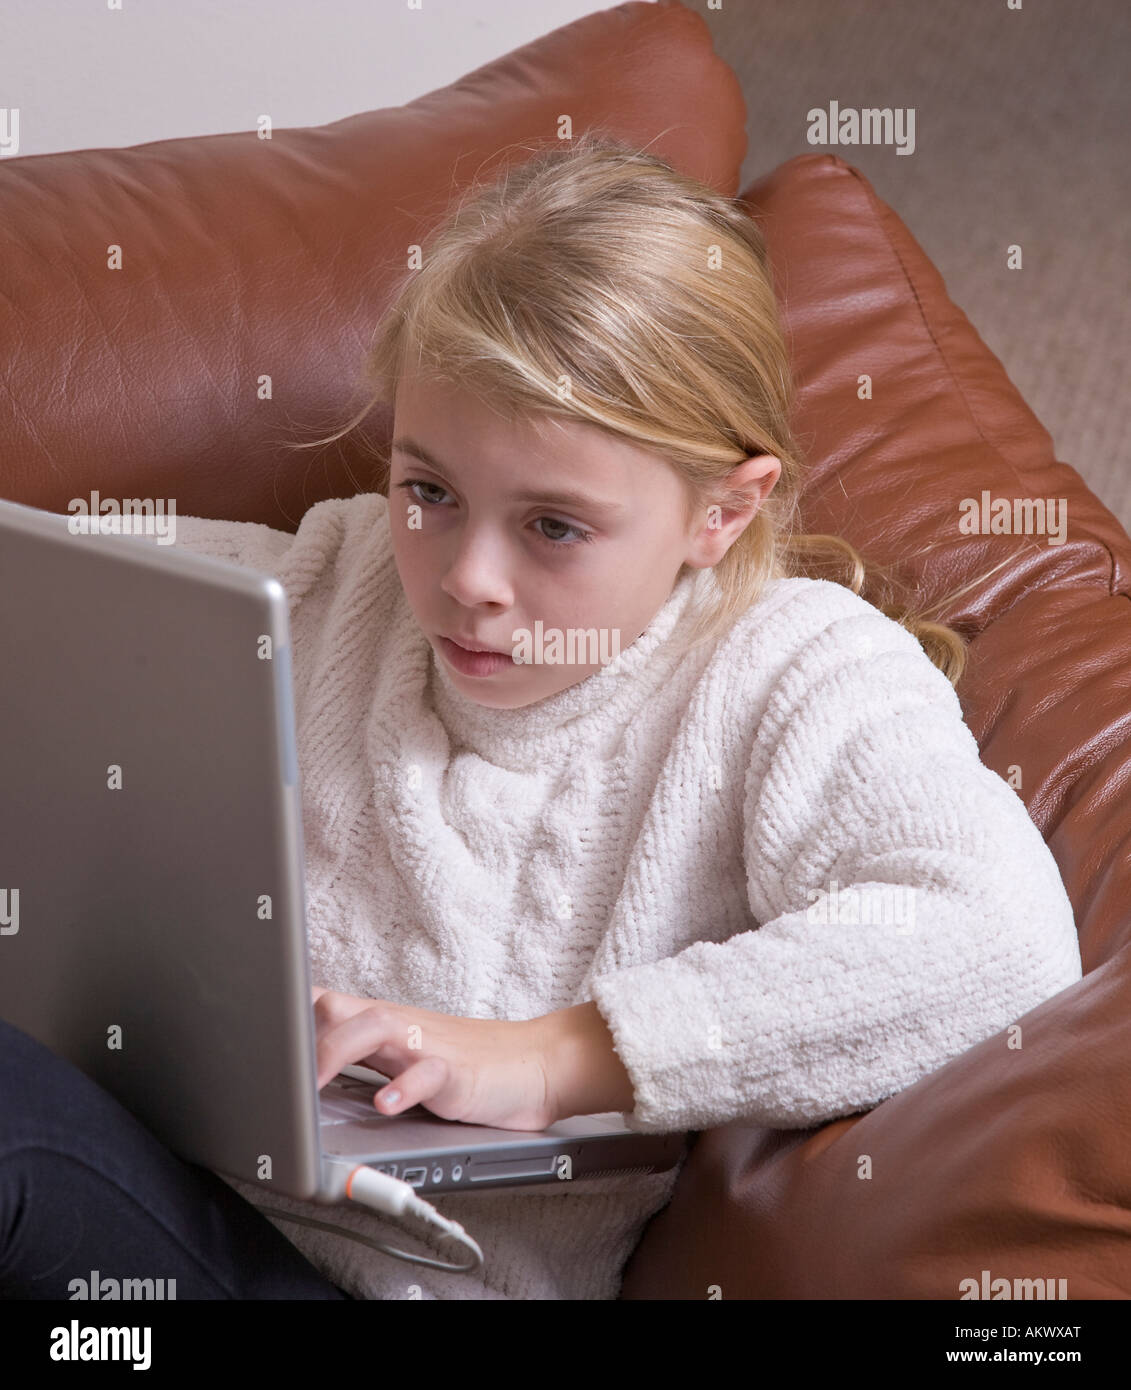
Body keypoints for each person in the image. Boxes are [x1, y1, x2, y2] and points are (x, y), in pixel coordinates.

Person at [1, 133, 1082, 1301]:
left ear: (722, 510)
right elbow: (59, 588)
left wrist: (554, 1058)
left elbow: (1000, 938)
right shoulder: (339, 582)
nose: (467, 578)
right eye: (430, 490)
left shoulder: (789, 668)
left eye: (553, 526)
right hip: (148, 1174)